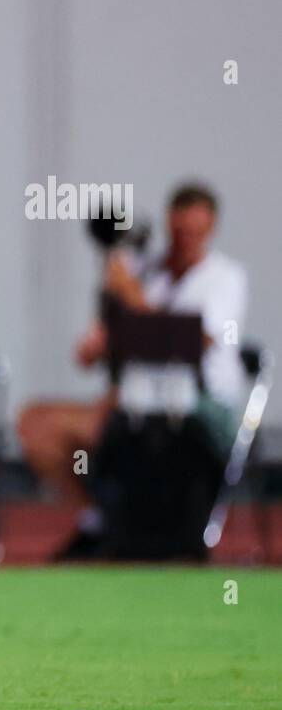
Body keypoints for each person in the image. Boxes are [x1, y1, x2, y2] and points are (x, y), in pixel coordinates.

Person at [18, 183, 248, 553]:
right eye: (179, 231)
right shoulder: (147, 273)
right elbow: (90, 356)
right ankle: (100, 518)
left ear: (211, 229)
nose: (186, 240)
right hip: (135, 404)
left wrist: (133, 299)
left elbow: (194, 342)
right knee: (37, 424)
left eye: (195, 233)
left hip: (199, 410)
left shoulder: (225, 278)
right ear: (168, 224)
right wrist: (105, 328)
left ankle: (159, 531)